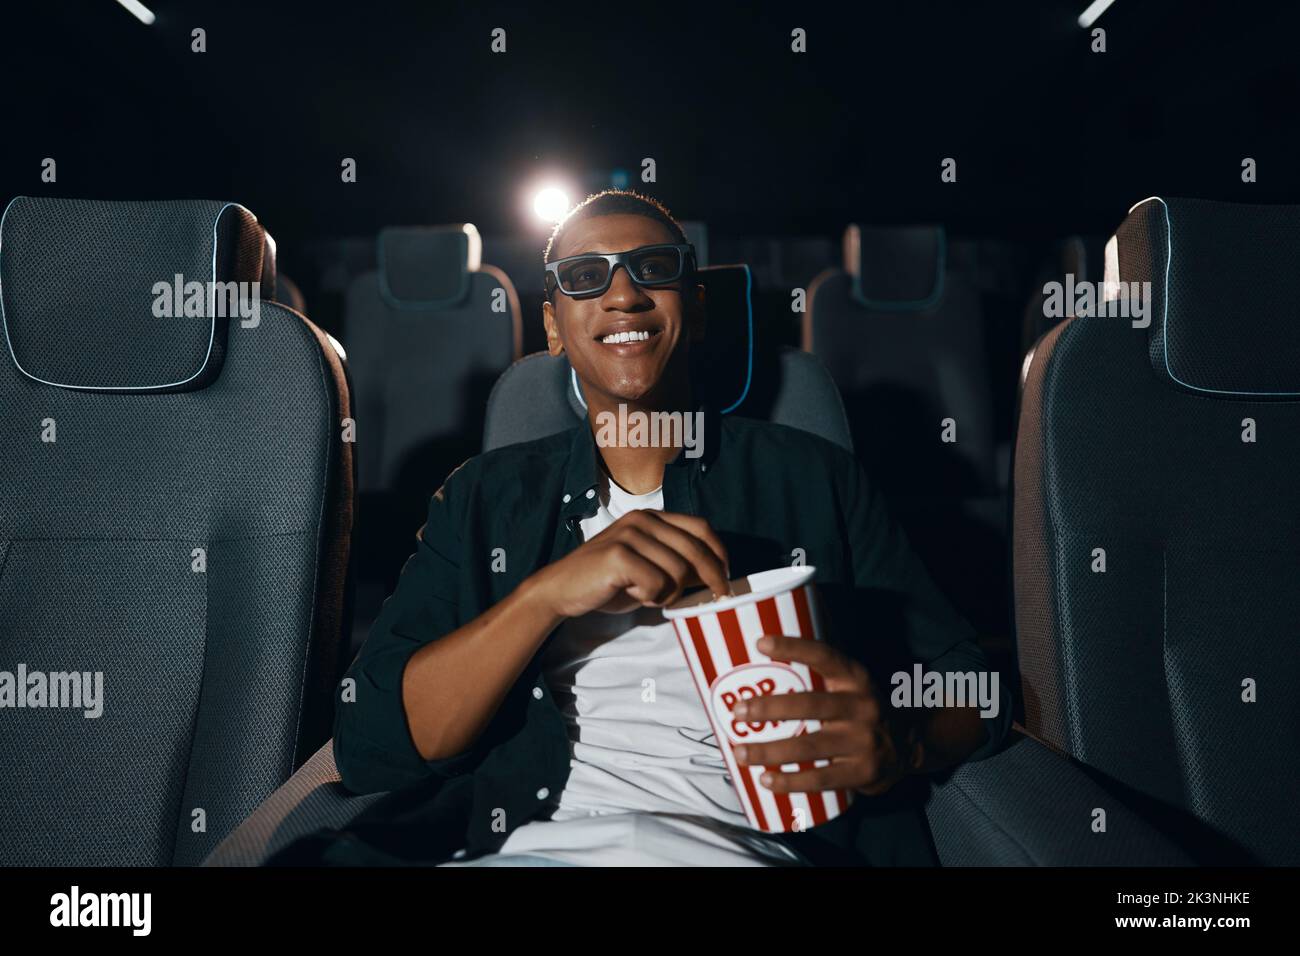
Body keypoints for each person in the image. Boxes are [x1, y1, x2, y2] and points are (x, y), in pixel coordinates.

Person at [268, 189, 1012, 867]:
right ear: (554, 326)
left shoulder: (814, 476)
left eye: (652, 268)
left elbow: (975, 689)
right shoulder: (484, 497)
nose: (623, 294)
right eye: (586, 276)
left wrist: (900, 740)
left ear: (697, 304)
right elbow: (371, 744)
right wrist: (546, 597)